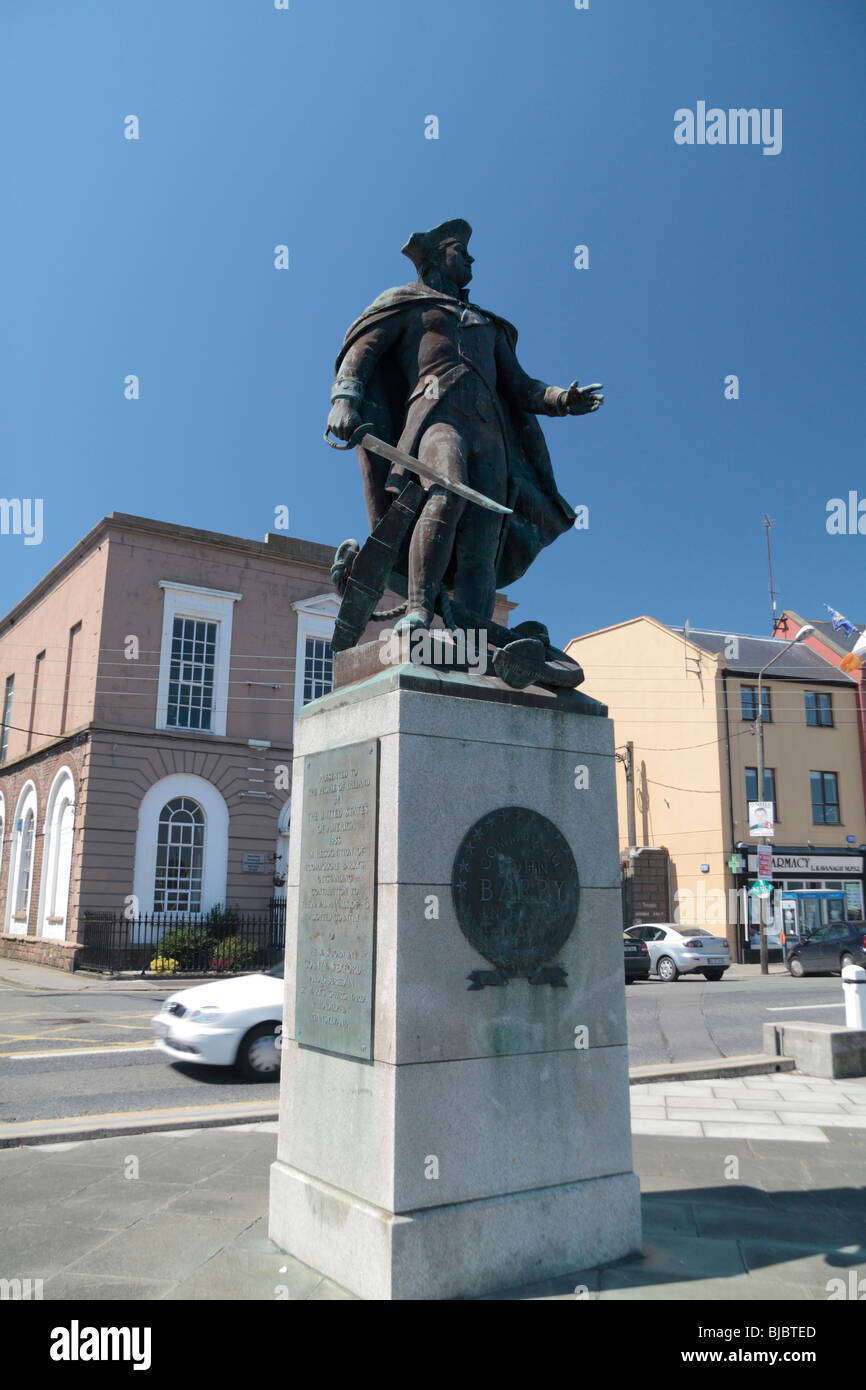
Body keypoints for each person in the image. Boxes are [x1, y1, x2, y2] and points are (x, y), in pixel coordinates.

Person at [326, 219, 603, 634]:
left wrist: (562, 399)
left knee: (484, 531)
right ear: (437, 256)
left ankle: (473, 630)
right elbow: (362, 352)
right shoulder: (406, 303)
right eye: (461, 250)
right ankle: (418, 610)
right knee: (446, 491)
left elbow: (522, 387)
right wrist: (344, 399)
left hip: (492, 436)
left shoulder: (489, 326)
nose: (471, 258)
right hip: (435, 419)